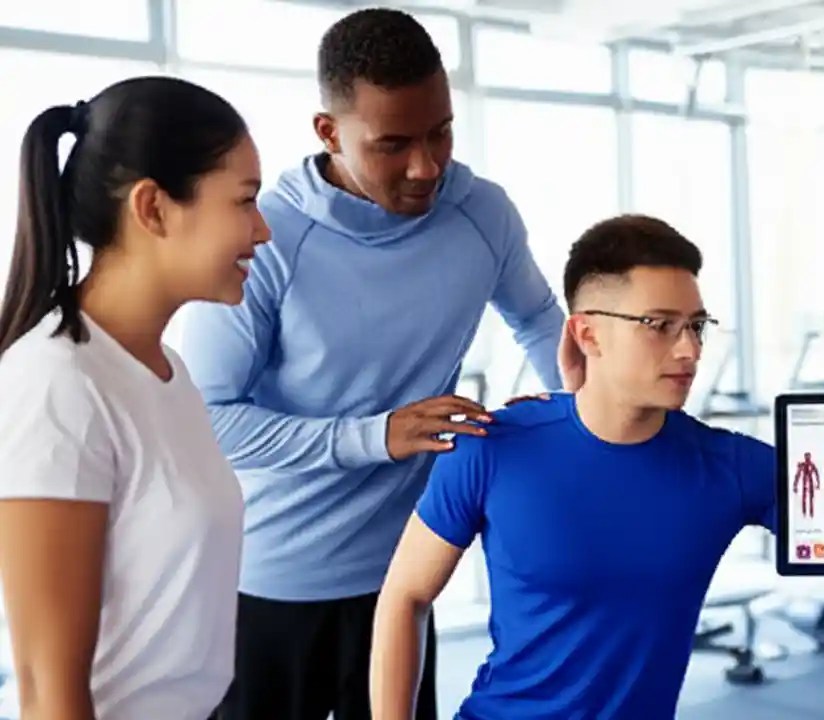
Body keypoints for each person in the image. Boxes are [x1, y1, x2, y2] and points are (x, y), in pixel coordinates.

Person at [367, 214, 824, 719]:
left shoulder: (731, 469)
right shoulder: (497, 444)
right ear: (586, 334)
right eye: (660, 327)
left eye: (695, 325)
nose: (689, 349)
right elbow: (404, 597)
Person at [178, 7, 565, 720]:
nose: (427, 166)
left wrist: (583, 418)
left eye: (441, 132)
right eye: (393, 144)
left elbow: (538, 318)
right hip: (270, 586)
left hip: (403, 578)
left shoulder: (484, 214)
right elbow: (207, 415)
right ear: (329, 132)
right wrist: (376, 435)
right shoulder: (267, 236)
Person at [0, 77, 268, 719]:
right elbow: (49, 695)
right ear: (153, 208)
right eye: (244, 201)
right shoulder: (57, 384)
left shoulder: (167, 371)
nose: (261, 230)